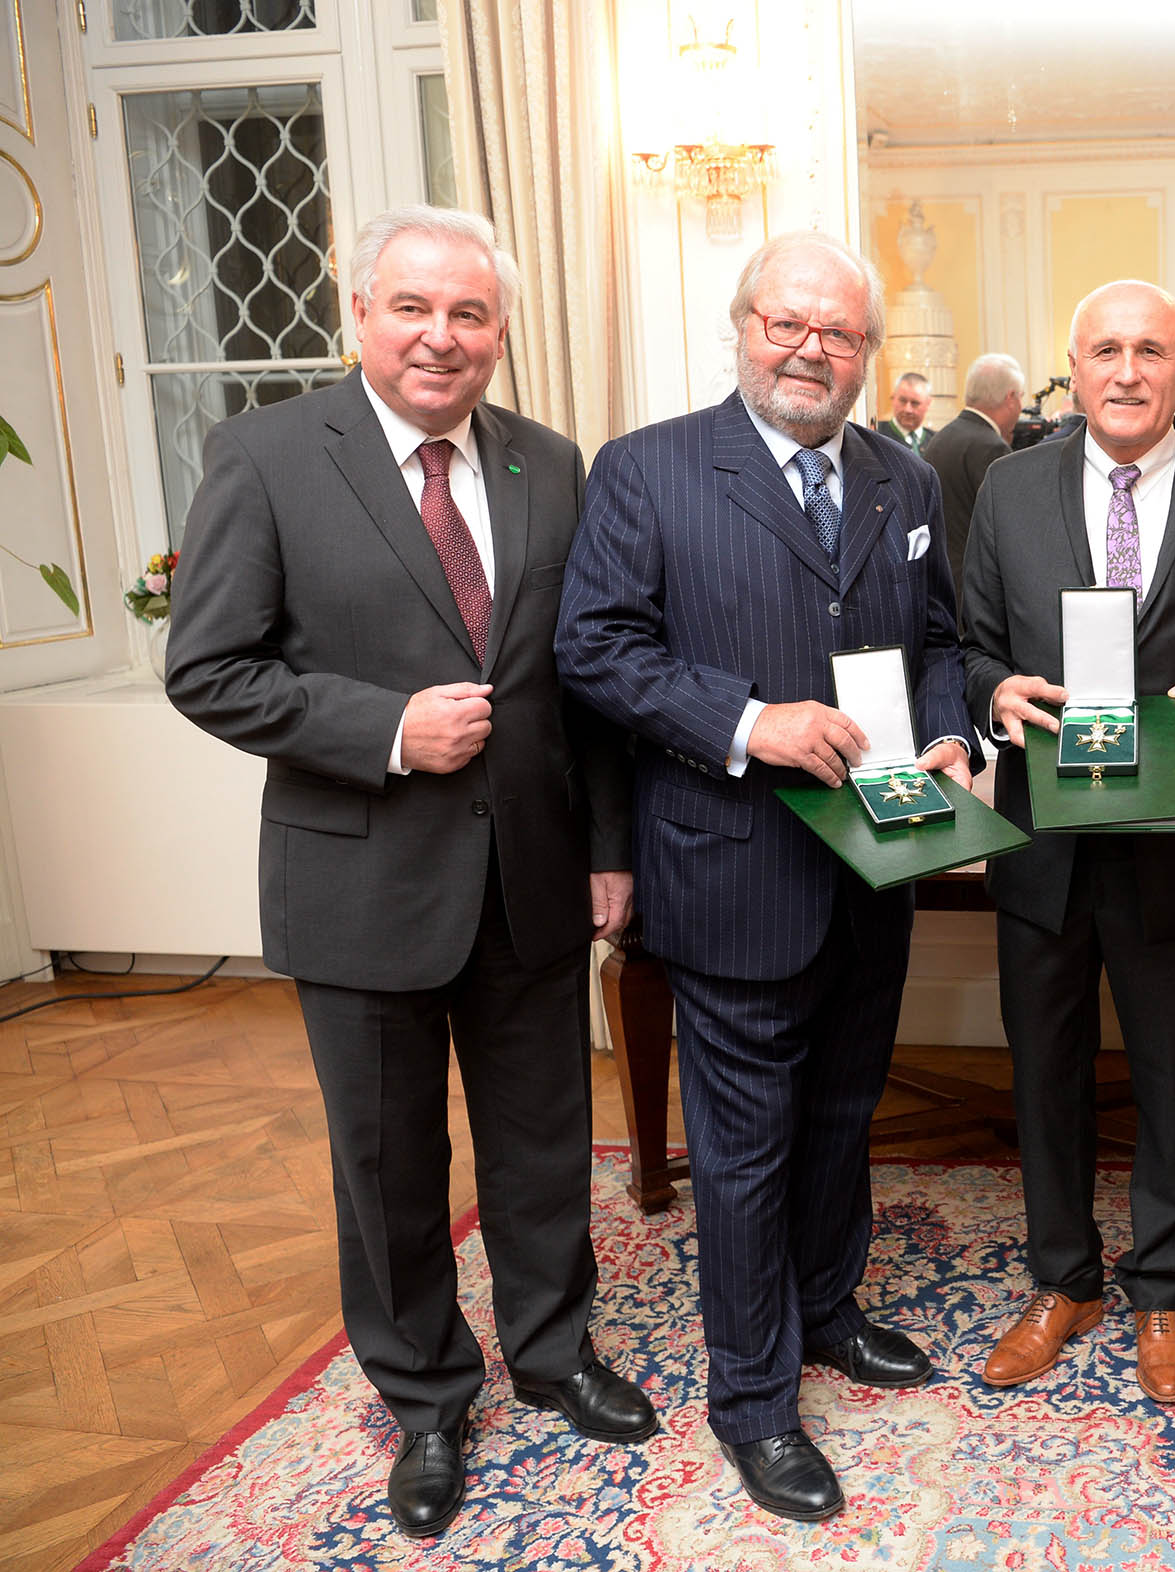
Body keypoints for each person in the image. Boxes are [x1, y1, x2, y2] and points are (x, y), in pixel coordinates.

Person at [164, 204, 653, 1541]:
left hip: (536, 881)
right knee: (384, 1169)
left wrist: (610, 847)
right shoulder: (265, 456)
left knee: (547, 1149)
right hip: (361, 882)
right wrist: (385, 731)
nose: (442, 337)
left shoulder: (550, 465)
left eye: (471, 314)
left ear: (501, 330)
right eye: (414, 309)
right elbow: (207, 669)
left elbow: (585, 681)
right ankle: (428, 1397)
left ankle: (553, 1355)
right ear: (359, 312)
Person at [556, 231, 975, 1522]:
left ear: (866, 353)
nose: (811, 350)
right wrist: (750, 723)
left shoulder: (906, 478)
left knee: (844, 1112)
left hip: (881, 855)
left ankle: (828, 1310)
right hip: (731, 865)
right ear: (740, 326)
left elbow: (942, 643)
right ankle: (753, 1401)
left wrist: (953, 729)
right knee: (742, 1155)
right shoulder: (648, 471)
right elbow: (596, 649)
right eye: (786, 324)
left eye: (838, 333)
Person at [962, 280, 1175, 1403]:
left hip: (1171, 837)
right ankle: (1062, 1279)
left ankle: (1159, 1286)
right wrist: (999, 690)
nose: (1128, 372)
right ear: (1074, 366)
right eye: (1105, 350)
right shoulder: (1006, 487)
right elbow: (969, 643)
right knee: (1041, 1068)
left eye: (1151, 350)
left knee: (1167, 1071)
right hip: (1042, 833)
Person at [924, 352, 1025, 617]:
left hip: (941, 583)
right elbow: (1009, 529)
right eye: (1021, 397)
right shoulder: (990, 447)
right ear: (1010, 398)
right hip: (975, 593)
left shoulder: (943, 437)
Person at [874, 370, 933, 449]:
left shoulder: (936, 441)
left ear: (928, 404)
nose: (908, 410)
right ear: (893, 398)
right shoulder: (876, 434)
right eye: (902, 401)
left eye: (915, 403)